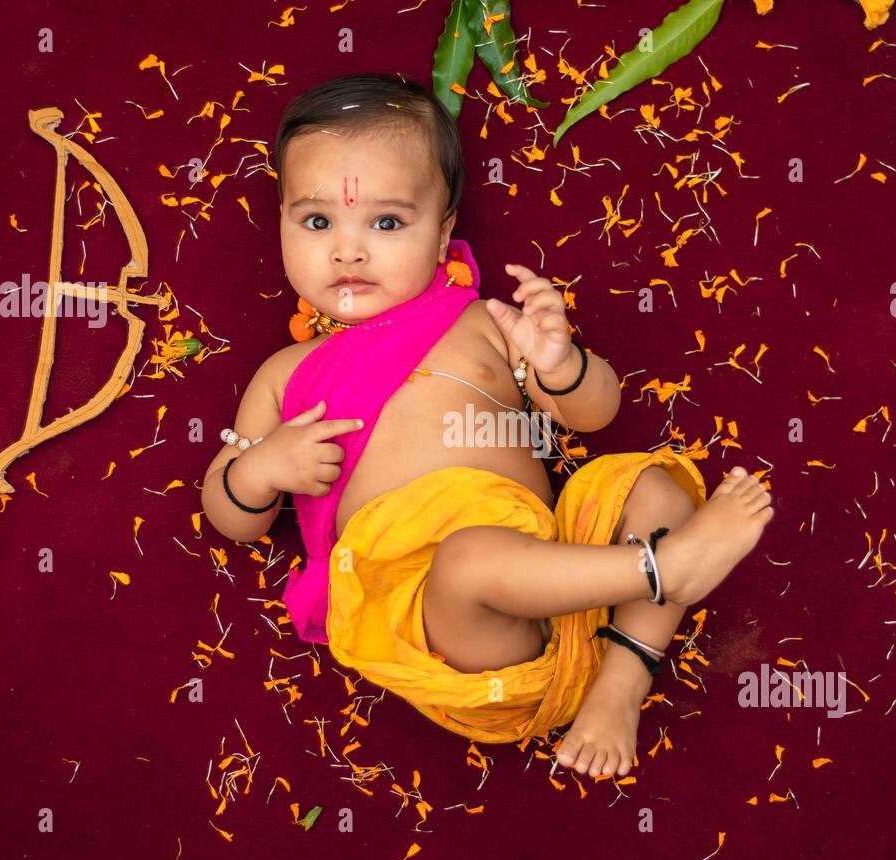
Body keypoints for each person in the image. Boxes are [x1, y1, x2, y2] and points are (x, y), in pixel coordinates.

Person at [200, 72, 775, 778]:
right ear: (282, 219)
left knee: (649, 485)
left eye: (386, 223)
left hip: (560, 575)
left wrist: (558, 363)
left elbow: (597, 414)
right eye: (317, 222)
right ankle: (664, 569)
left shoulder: (480, 323)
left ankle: (620, 685)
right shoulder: (287, 373)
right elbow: (231, 516)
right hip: (447, 623)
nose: (348, 251)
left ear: (443, 232)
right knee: (469, 558)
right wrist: (260, 471)